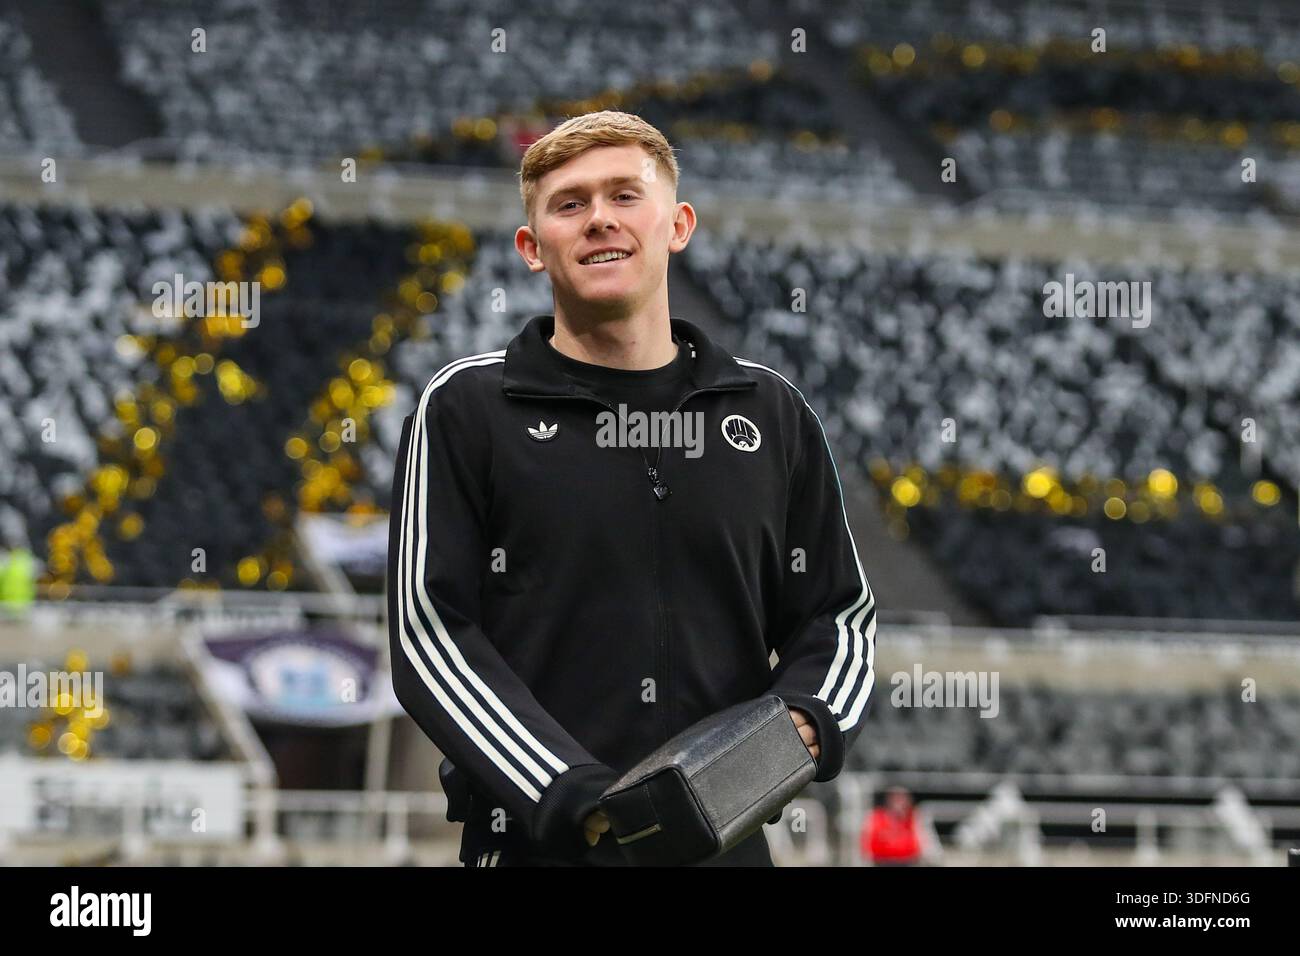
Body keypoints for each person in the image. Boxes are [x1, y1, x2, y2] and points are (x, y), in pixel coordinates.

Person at [386, 110, 877, 866]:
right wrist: (576, 799)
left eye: (624, 195)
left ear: (677, 224)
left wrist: (802, 725)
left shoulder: (768, 412)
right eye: (570, 203)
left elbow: (837, 617)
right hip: (539, 846)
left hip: (727, 845)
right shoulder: (465, 410)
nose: (599, 220)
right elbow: (431, 633)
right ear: (531, 247)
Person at [862, 786, 925, 866]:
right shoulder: (876, 818)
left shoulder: (914, 819)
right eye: (896, 798)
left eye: (902, 798)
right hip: (882, 863)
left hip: (906, 863)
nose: (899, 802)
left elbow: (918, 847)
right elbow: (869, 846)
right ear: (889, 800)